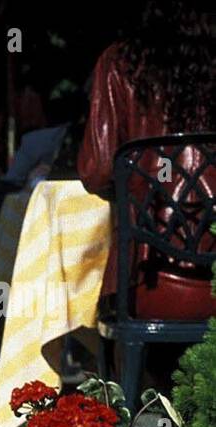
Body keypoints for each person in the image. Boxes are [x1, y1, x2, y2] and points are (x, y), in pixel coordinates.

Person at [78, 1, 216, 324]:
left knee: (119, 335)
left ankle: (132, 376)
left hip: (149, 282)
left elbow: (96, 171)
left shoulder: (119, 63)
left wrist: (142, 185)